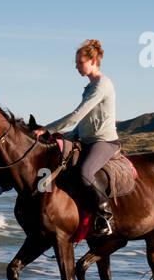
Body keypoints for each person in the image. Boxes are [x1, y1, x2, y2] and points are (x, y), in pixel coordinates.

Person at [33, 39, 119, 235]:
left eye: (80, 62)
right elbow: (84, 122)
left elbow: (77, 114)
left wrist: (48, 129)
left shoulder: (102, 84)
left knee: (84, 172)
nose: (76, 66)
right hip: (85, 139)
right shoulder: (89, 87)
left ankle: (106, 216)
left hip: (104, 142)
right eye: (76, 62)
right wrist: (62, 137)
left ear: (92, 61)